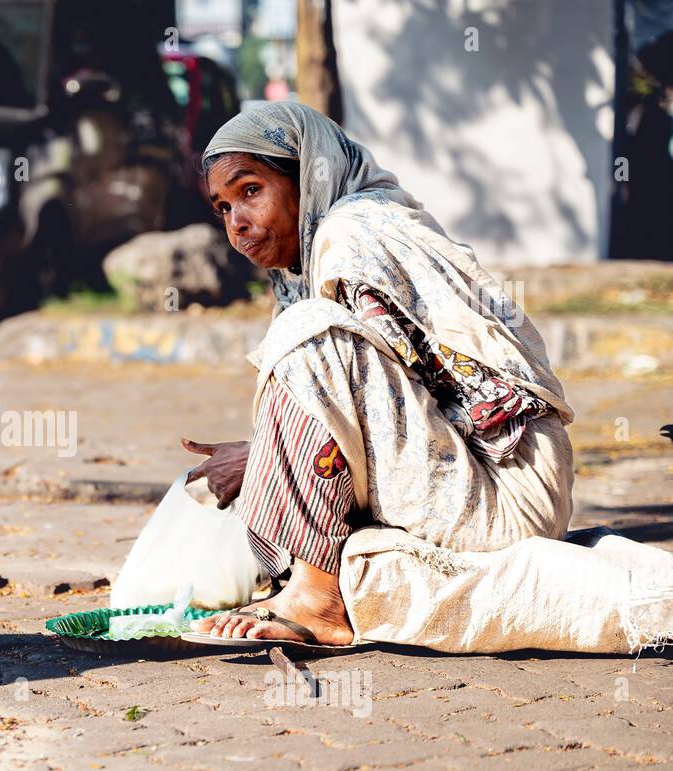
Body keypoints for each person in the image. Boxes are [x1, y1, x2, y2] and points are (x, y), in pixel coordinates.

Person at [180, 102, 669, 653]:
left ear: (308, 176)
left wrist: (262, 457)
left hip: (503, 485)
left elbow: (429, 390)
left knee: (310, 332)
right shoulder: (320, 252)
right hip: (467, 475)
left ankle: (318, 601)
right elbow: (380, 402)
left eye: (250, 191)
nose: (236, 223)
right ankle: (319, 584)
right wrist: (267, 455)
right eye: (222, 208)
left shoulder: (352, 233)